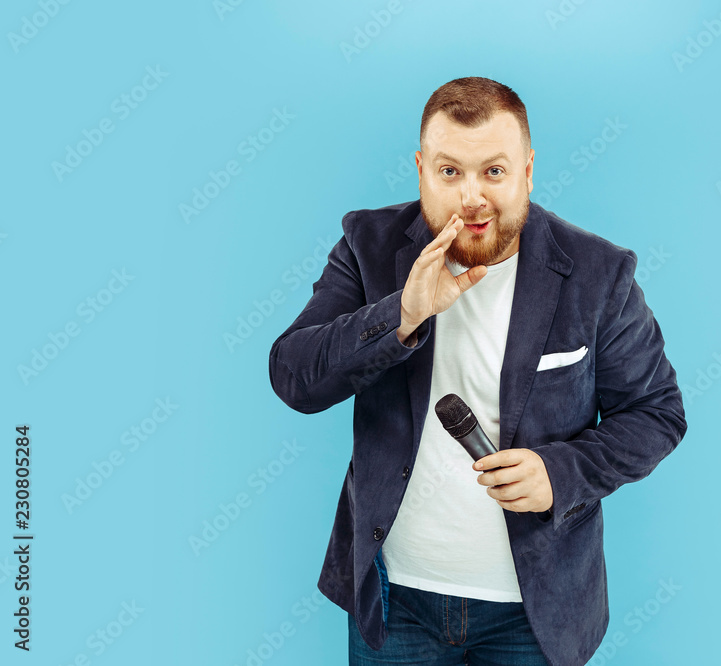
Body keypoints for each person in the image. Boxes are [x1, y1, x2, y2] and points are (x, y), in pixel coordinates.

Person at [268, 76, 687, 666]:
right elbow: (294, 378)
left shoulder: (599, 274)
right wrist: (403, 314)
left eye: (494, 171)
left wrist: (560, 470)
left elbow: (658, 414)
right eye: (449, 172)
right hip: (394, 604)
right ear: (420, 169)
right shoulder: (368, 244)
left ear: (527, 170)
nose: (472, 198)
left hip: (535, 610)